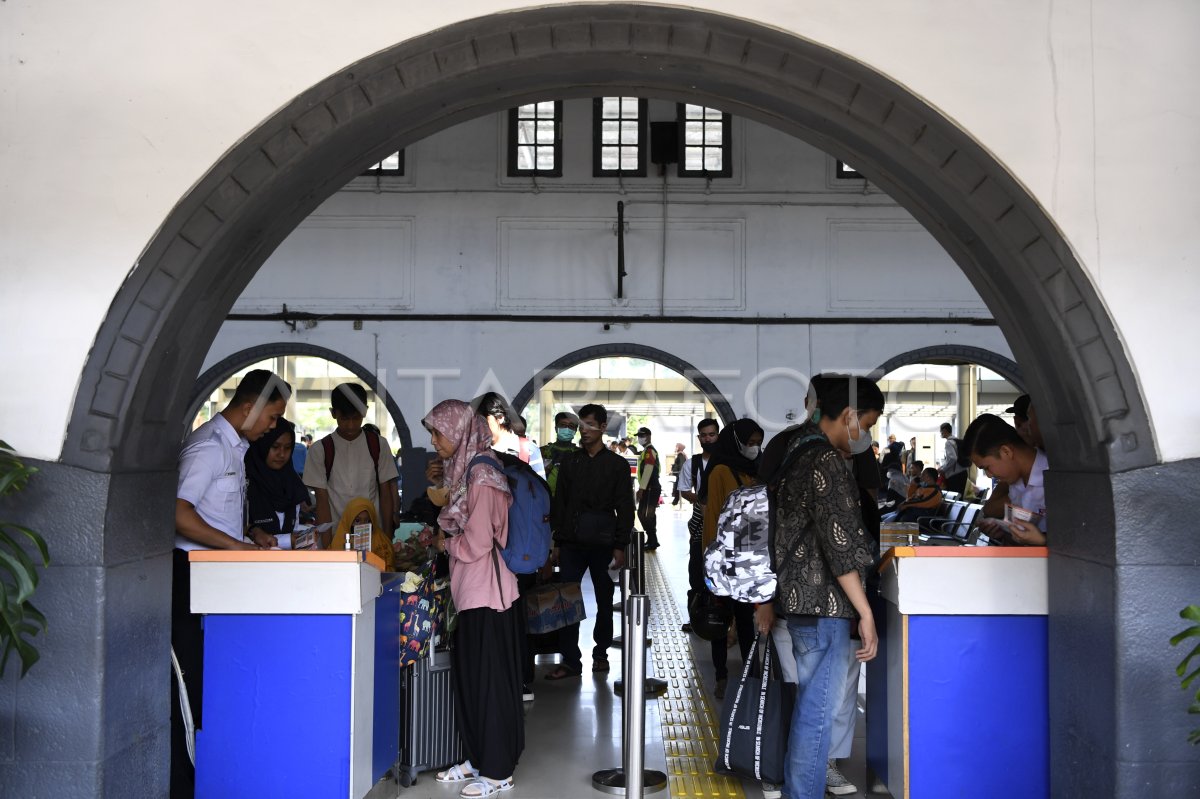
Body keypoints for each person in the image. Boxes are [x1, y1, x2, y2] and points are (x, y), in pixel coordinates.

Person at [755, 374, 881, 799]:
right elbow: (839, 545)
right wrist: (865, 612)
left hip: (797, 600)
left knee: (810, 707)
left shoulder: (795, 449)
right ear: (848, 415)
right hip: (824, 605)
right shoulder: (825, 460)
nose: (864, 434)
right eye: (866, 423)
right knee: (817, 715)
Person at [173, 369, 290, 798]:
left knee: (217, 680)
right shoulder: (208, 447)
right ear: (249, 407)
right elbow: (180, 514)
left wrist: (249, 534)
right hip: (190, 575)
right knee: (192, 686)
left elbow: (215, 513)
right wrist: (234, 547)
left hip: (217, 577)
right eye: (271, 417)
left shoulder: (235, 449)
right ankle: (189, 782)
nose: (273, 426)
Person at [424, 399, 524, 798]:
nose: (434, 441)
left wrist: (446, 544)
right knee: (471, 679)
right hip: (471, 590)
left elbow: (479, 540)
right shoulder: (465, 469)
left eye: (438, 432)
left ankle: (498, 772)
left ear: (459, 430)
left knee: (490, 683)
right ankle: (478, 757)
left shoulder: (482, 474)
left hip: (489, 593)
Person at [546, 403, 633, 680]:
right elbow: (561, 504)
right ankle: (570, 660)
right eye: (581, 425)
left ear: (603, 427)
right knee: (567, 602)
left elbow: (625, 507)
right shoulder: (570, 462)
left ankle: (601, 654)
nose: (584, 431)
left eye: (590, 425)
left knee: (604, 601)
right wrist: (557, 542)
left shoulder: (617, 465)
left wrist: (620, 545)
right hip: (571, 542)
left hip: (604, 543)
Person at [700, 418, 764, 699]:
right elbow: (712, 517)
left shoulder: (757, 470)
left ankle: (752, 674)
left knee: (746, 619)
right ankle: (721, 675)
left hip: (750, 558)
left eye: (757, 443)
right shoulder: (720, 471)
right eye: (749, 443)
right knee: (720, 619)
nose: (754, 448)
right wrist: (710, 564)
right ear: (736, 442)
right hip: (724, 560)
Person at [303, 383, 399, 545]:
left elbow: (386, 494)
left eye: (356, 418)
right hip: (336, 536)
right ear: (333, 413)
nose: (350, 425)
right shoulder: (320, 449)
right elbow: (322, 501)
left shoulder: (379, 445)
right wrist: (327, 546)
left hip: (373, 537)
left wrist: (387, 540)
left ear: (365, 412)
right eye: (345, 419)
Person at [964, 414, 1048, 546]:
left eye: (987, 468)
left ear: (1006, 452)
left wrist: (1043, 541)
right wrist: (1004, 533)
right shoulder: (1014, 482)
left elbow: (1078, 540)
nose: (989, 475)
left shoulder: (1056, 477)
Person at [677, 418, 720, 631]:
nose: (707, 439)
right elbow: (685, 490)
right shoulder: (692, 464)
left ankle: (722, 616)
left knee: (720, 569)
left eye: (711, 434)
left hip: (723, 522)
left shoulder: (727, 462)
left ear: (718, 436)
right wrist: (701, 502)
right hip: (699, 521)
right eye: (704, 435)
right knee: (696, 569)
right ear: (699, 438)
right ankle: (696, 617)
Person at [245, 416, 311, 549]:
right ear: (262, 445)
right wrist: (287, 540)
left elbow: (294, 529)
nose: (282, 454)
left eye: (287, 448)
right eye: (275, 447)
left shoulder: (293, 485)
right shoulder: (244, 483)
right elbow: (237, 533)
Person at [473, 392, 546, 479]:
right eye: (475, 422)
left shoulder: (528, 449)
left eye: (483, 420)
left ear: (500, 418)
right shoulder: (476, 451)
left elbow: (539, 486)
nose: (478, 426)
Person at [327, 496, 396, 571]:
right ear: (348, 520)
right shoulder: (337, 543)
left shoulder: (382, 543)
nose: (362, 525)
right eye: (357, 521)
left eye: (368, 521)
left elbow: (389, 570)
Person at [539, 411, 580, 496]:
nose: (567, 428)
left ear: (575, 431)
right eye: (563, 425)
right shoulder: (542, 451)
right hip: (545, 497)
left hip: (570, 499)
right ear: (556, 428)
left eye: (571, 426)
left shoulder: (580, 454)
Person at [635, 426, 662, 550]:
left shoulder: (649, 451)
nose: (640, 438)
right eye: (639, 436)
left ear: (649, 436)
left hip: (650, 487)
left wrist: (642, 488)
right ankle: (652, 539)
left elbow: (648, 470)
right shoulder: (646, 451)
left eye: (642, 436)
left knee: (645, 514)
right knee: (645, 514)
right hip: (649, 487)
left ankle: (652, 540)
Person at [938, 422, 969, 494]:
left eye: (941, 431)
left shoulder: (949, 443)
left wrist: (943, 469)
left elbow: (952, 458)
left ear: (944, 431)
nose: (941, 433)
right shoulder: (958, 441)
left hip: (954, 475)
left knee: (953, 496)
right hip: (963, 472)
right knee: (960, 496)